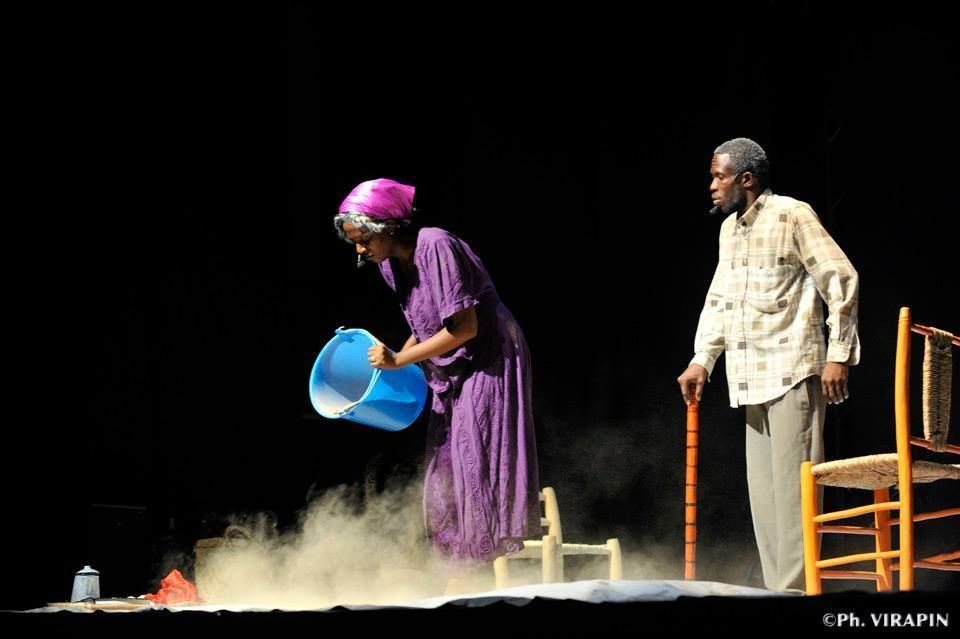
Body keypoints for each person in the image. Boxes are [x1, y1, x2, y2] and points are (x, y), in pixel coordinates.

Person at [676, 138, 860, 591]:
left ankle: (794, 590)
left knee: (795, 500)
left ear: (747, 179)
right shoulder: (729, 231)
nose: (712, 186)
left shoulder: (793, 214)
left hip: (794, 370)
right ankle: (782, 588)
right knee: (765, 500)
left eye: (719, 176)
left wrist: (838, 354)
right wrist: (703, 359)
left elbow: (841, 277)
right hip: (749, 377)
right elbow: (720, 300)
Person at [333, 178, 540, 569]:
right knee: (445, 465)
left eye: (364, 239)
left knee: (474, 456)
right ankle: (456, 568)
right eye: (354, 241)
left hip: (488, 357)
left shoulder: (436, 245)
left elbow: (464, 327)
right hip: (451, 363)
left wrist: (399, 360)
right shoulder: (389, 264)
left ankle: (470, 573)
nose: (359, 250)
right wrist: (399, 360)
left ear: (388, 227)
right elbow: (428, 320)